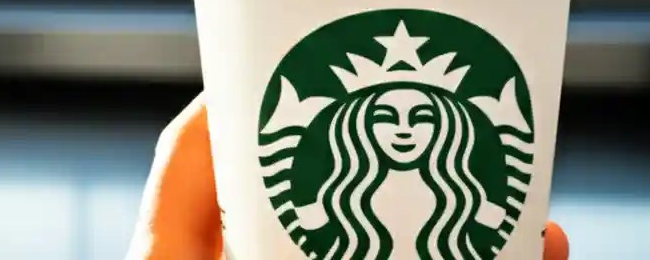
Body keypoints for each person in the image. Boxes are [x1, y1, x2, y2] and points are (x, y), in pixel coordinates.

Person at [128, 95, 570, 260]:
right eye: (385, 117)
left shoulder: (474, 212)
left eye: (421, 117)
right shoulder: (323, 210)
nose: (403, 130)